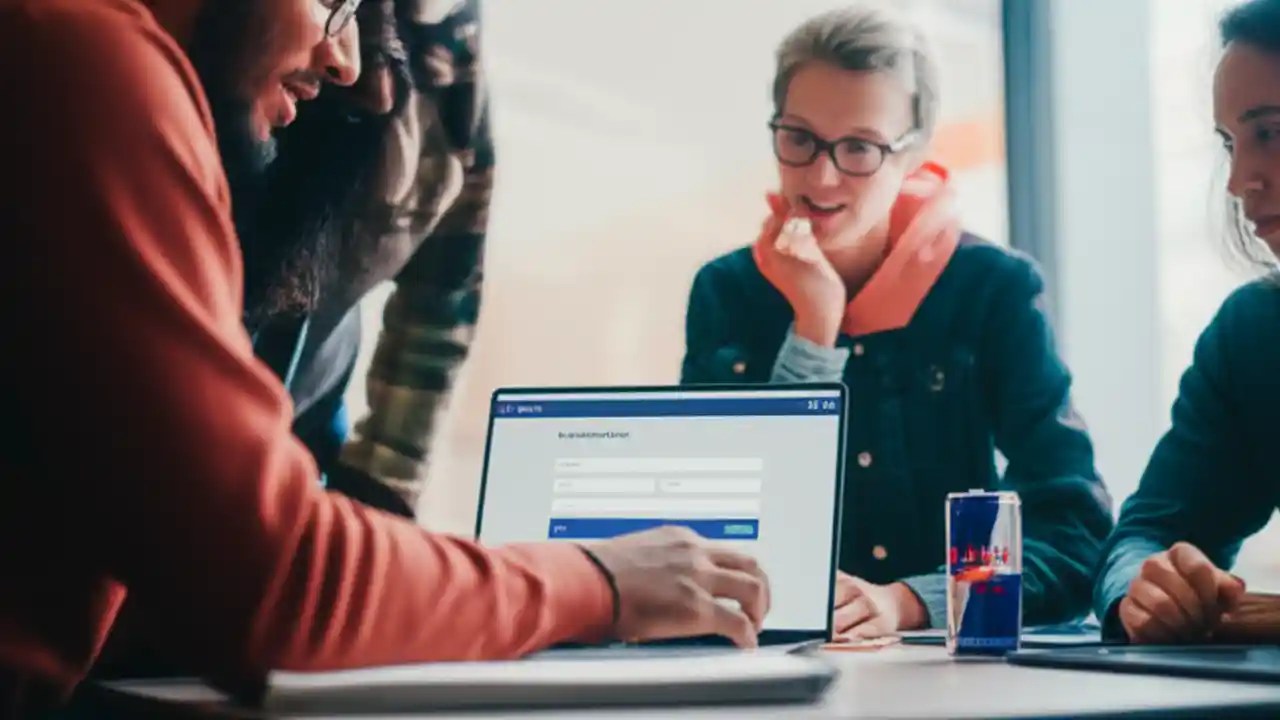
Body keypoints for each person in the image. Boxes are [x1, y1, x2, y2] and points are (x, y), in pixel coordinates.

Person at [0, 0, 770, 713]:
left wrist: (406, 566)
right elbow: (270, 588)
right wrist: (598, 580)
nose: (347, 63)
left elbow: (175, 562)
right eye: (333, 0)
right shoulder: (82, 55)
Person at [680, 6, 1113, 640]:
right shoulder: (728, 291)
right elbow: (716, 525)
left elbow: (1072, 530)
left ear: (913, 156)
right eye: (799, 137)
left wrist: (910, 602)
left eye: (859, 147)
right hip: (769, 653)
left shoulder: (993, 289)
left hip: (950, 666)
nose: (821, 176)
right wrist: (813, 330)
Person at [242, 0, 494, 517]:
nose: (373, 88)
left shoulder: (453, 50)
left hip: (303, 429)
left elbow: (444, 296)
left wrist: (382, 487)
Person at [1094, 0, 1280, 644]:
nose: (1238, 181)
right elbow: (1146, 534)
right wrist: (1144, 587)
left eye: (1270, 132)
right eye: (1230, 143)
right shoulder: (1254, 334)